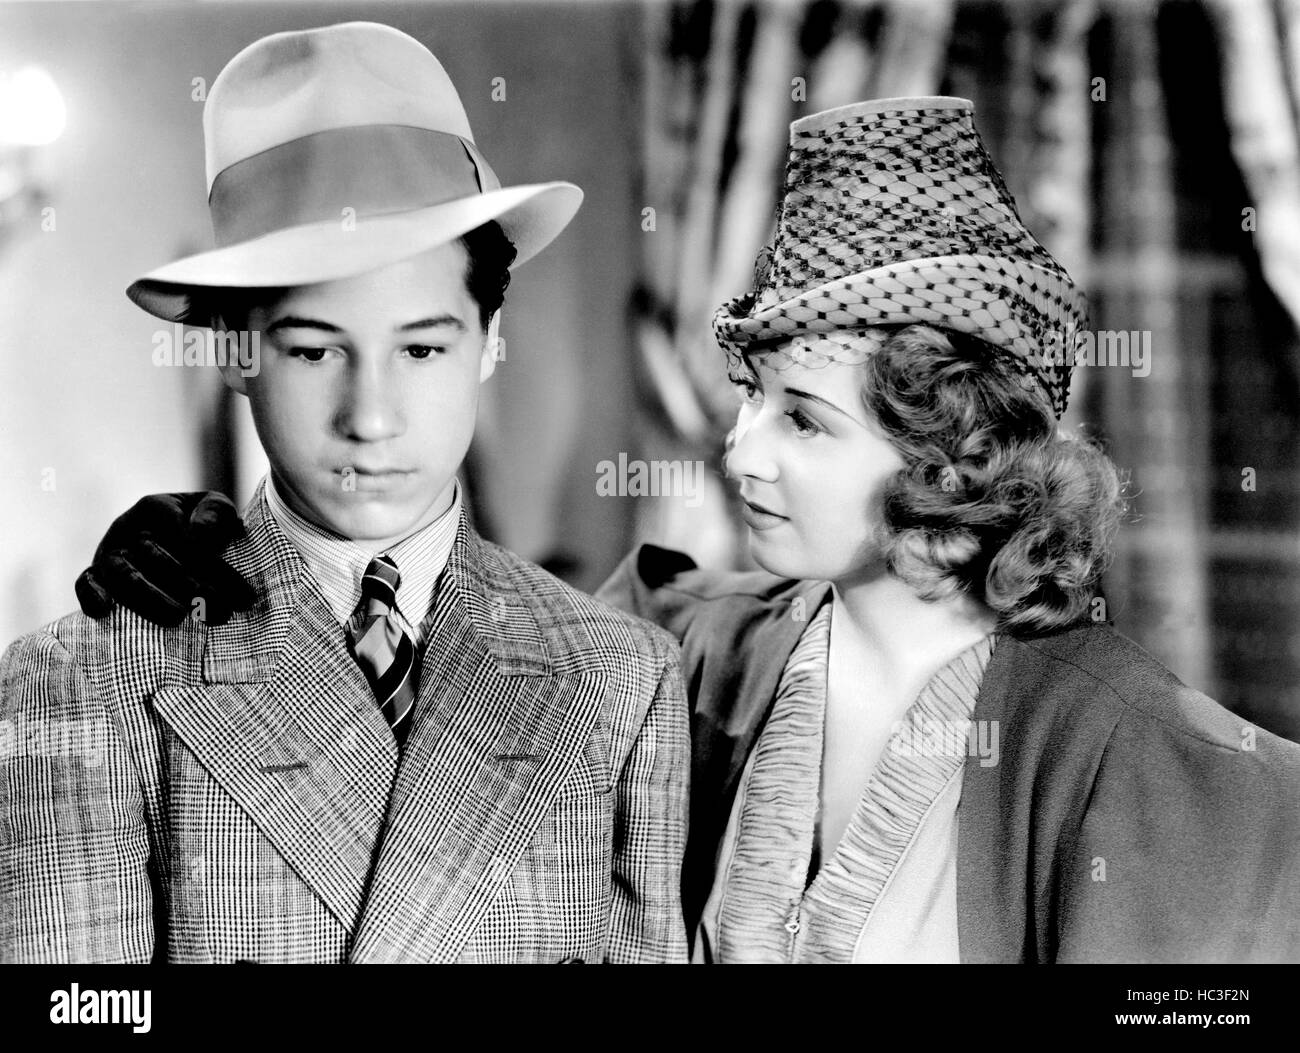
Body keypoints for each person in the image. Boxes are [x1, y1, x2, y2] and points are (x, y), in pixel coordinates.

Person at [66, 97, 1300, 963]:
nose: (741, 448)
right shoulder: (686, 644)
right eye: (749, 398)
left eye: (805, 421)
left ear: (954, 454)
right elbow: (414, 707)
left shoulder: (1149, 768)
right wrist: (227, 552)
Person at [0, 22, 689, 964]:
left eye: (422, 347)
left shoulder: (625, 678)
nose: (371, 416)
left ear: (490, 338)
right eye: (315, 348)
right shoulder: (85, 677)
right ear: (235, 349)